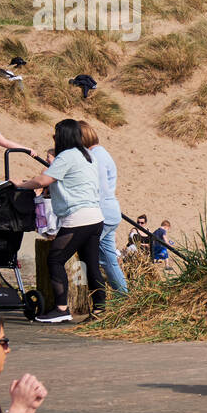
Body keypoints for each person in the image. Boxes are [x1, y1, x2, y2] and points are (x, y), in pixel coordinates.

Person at [12, 119, 105, 324]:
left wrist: (21, 184)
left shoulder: (67, 155)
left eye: (56, 134)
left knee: (55, 259)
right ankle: (100, 309)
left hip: (78, 217)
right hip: (96, 217)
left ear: (63, 136)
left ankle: (62, 308)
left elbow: (43, 180)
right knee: (91, 264)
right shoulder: (87, 155)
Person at [78, 120, 127, 295]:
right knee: (108, 260)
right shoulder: (101, 153)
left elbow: (99, 189)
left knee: (83, 253)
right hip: (110, 212)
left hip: (102, 213)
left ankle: (87, 296)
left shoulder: (95, 157)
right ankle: (124, 296)